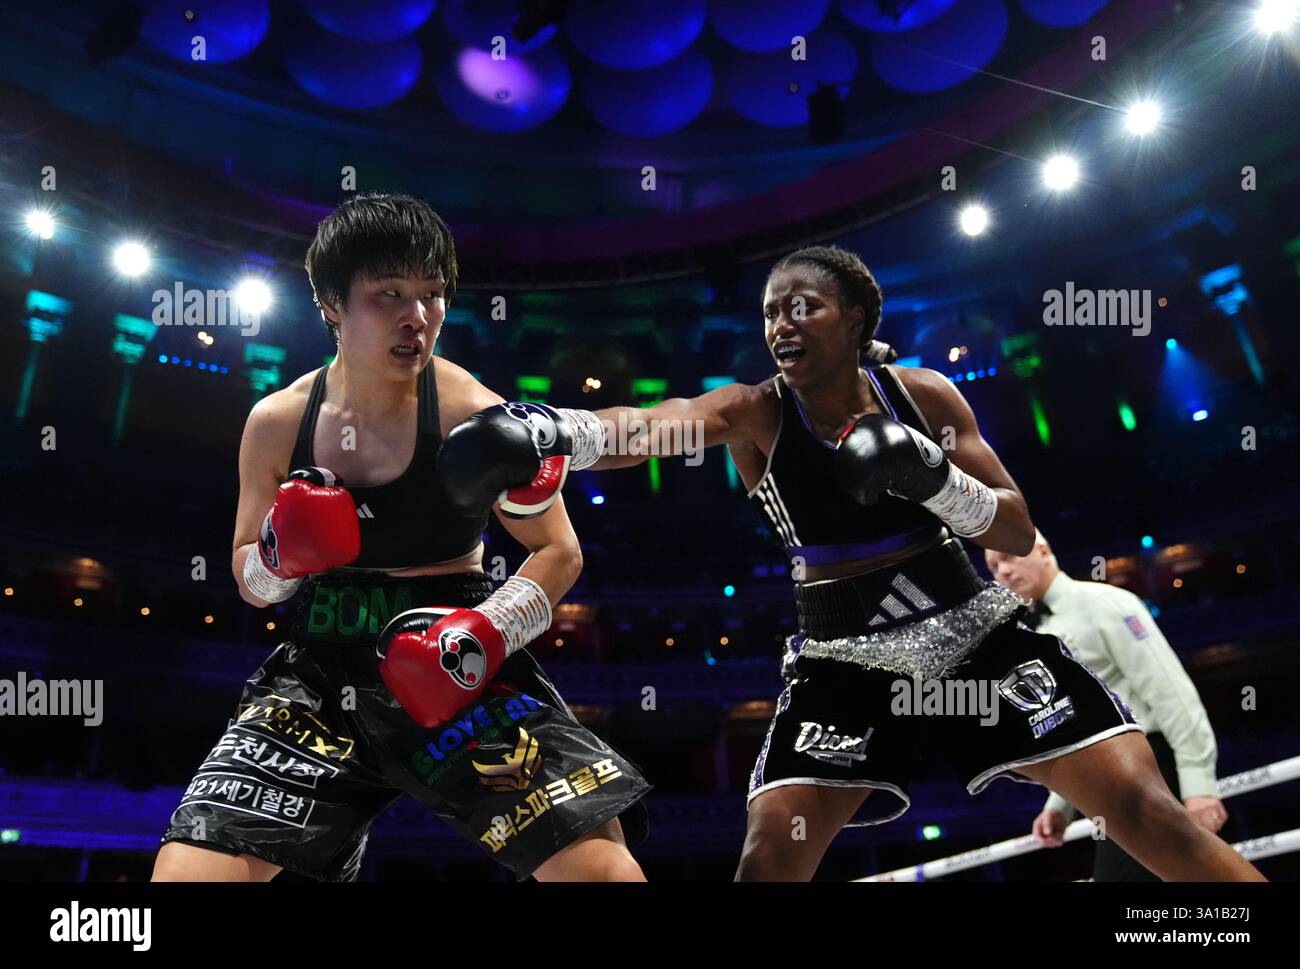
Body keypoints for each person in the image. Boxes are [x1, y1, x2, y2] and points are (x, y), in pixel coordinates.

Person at [441, 244, 1265, 882]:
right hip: (843, 665)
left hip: (980, 637)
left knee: (1146, 807)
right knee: (769, 859)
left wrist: (936, 477)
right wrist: (551, 433)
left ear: (858, 316)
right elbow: (646, 427)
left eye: (804, 305)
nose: (782, 324)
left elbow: (1014, 532)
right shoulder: (754, 412)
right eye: (771, 311)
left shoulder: (927, 398)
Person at [151, 193, 649, 883]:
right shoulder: (276, 421)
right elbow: (247, 575)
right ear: (331, 301)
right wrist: (277, 556)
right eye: (389, 293)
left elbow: (559, 551)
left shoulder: (476, 416)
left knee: (602, 872)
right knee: (186, 877)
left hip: (457, 653)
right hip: (320, 672)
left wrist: (482, 632)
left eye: (433, 294)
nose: (418, 317)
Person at [987, 532, 1229, 881]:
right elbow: (1075, 726)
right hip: (1108, 781)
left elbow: (1169, 691)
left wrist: (1199, 786)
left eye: (1008, 557)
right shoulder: (1036, 636)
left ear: (1043, 550)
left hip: (1151, 766)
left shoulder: (1105, 603)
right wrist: (1060, 805)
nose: (1003, 573)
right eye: (994, 568)